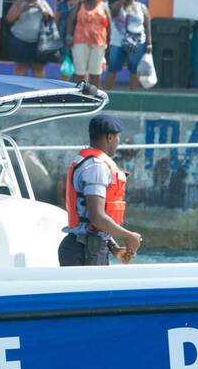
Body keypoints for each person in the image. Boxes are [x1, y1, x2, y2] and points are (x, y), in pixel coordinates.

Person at [58, 114, 142, 267]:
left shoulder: (90, 162)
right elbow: (96, 217)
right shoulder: (96, 167)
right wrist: (128, 236)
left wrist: (113, 247)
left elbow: (90, 224)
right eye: (118, 138)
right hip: (84, 251)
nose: (118, 142)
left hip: (90, 248)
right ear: (110, 137)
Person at [102, 0, 150, 91]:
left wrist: (149, 43)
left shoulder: (141, 7)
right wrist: (122, 1)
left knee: (134, 69)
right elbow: (112, 14)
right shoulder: (117, 6)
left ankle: (133, 95)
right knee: (113, 68)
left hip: (136, 43)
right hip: (118, 43)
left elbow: (147, 25)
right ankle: (107, 93)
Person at [5, 0, 53, 78]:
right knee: (21, 67)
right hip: (20, 40)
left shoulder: (42, 2)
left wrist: (43, 9)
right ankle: (19, 92)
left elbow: (52, 18)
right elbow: (9, 19)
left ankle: (39, 92)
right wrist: (22, 10)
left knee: (38, 68)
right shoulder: (19, 3)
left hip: (38, 42)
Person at [66, 0, 109, 86]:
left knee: (95, 71)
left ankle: (94, 95)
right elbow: (70, 20)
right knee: (79, 71)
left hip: (98, 42)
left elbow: (109, 24)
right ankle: (78, 94)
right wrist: (68, 37)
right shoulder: (80, 4)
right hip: (80, 40)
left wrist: (109, 41)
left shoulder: (103, 6)